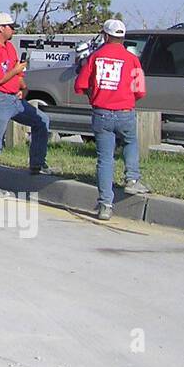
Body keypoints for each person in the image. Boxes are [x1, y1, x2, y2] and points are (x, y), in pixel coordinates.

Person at [74, 18, 150, 221]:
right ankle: (132, 179)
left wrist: (94, 95)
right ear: (122, 37)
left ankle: (105, 205)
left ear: (106, 36)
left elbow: (80, 85)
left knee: (105, 159)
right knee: (130, 142)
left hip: (102, 113)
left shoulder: (95, 57)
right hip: (125, 111)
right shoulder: (132, 59)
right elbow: (140, 90)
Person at [0, 12, 54, 196]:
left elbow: (17, 73)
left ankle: (37, 163)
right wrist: (16, 70)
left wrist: (22, 86)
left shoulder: (9, 47)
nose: (13, 30)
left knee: (41, 120)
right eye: (11, 27)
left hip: (13, 99)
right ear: (1, 28)